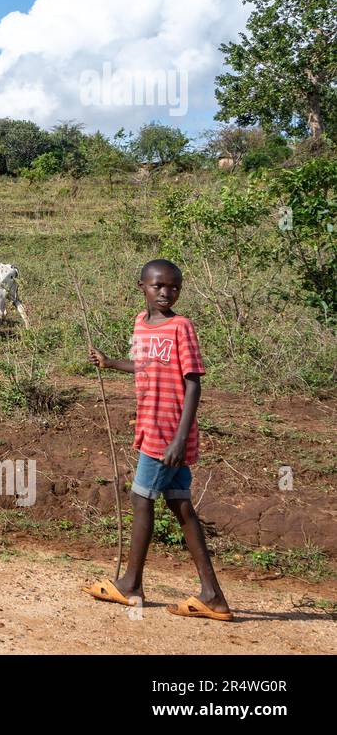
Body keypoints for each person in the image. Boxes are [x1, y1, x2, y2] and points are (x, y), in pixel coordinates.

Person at [84, 258, 232, 621]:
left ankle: (131, 584)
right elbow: (144, 364)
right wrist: (109, 363)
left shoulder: (181, 327)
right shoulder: (141, 324)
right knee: (180, 505)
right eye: (158, 286)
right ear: (142, 287)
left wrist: (181, 439)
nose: (166, 293)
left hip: (169, 433)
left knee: (140, 497)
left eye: (173, 287)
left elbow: (194, 382)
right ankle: (212, 595)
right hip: (151, 427)